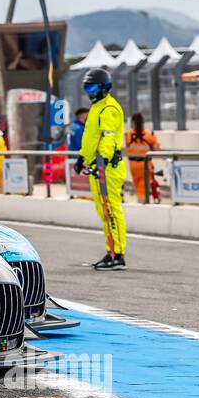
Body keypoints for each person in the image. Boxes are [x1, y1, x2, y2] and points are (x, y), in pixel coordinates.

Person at [76, 67, 127, 270]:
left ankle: (118, 255)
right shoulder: (97, 107)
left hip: (107, 167)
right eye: (87, 87)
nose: (90, 91)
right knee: (104, 212)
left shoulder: (109, 109)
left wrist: (102, 161)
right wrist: (82, 157)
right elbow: (91, 138)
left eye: (94, 86)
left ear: (105, 87)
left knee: (111, 210)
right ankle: (111, 251)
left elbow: (108, 138)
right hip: (97, 165)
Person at [124, 112, 161, 203]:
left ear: (132, 122)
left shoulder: (128, 135)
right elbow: (157, 149)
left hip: (133, 165)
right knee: (143, 188)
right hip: (145, 165)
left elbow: (127, 148)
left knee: (137, 185)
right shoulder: (149, 134)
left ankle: (140, 201)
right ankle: (142, 204)